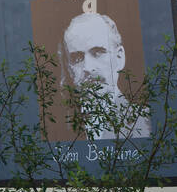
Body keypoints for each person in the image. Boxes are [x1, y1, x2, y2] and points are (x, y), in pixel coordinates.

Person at [59, 12, 152, 140]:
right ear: (69, 68)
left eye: (97, 52)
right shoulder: (61, 130)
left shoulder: (145, 122)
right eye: (77, 58)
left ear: (119, 58)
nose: (87, 67)